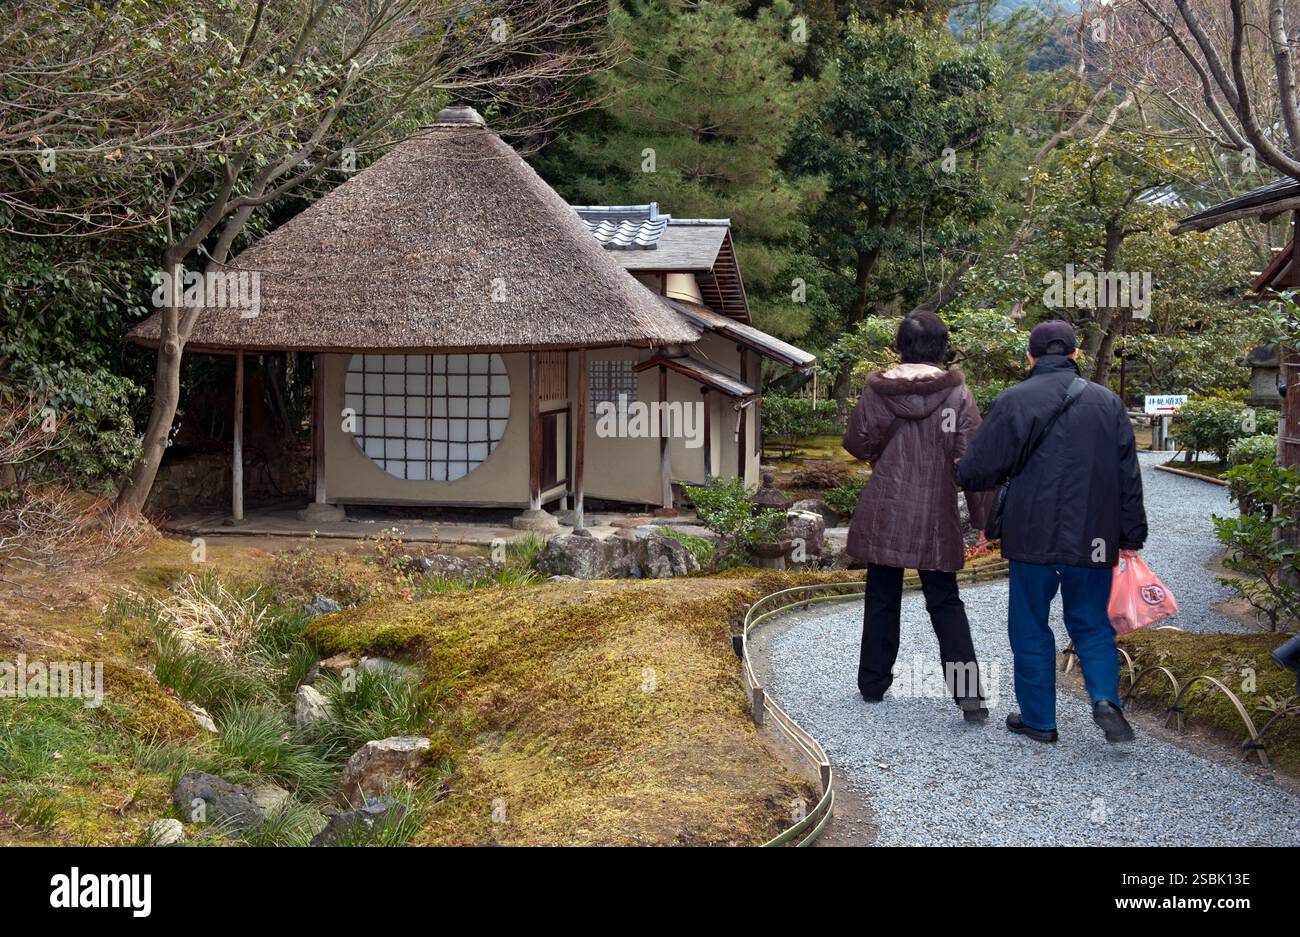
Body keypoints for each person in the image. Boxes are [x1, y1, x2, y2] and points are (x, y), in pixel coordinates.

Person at [956, 320, 1147, 745]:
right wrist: (1131, 534)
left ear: (1030, 356)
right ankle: (1104, 699)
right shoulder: (1108, 402)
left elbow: (977, 469)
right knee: (1092, 622)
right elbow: (1127, 475)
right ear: (1076, 354)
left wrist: (956, 472)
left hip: (1031, 534)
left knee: (1029, 624)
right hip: (1094, 535)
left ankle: (1040, 721)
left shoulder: (1014, 400)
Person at [843, 311, 991, 722]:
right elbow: (972, 462)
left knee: (882, 596)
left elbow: (856, 443)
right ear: (942, 347)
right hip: (934, 510)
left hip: (886, 505)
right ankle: (969, 696)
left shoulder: (878, 391)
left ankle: (872, 685)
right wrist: (982, 520)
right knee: (944, 600)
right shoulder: (958, 396)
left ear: (900, 345)